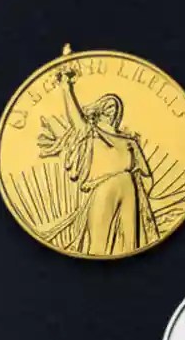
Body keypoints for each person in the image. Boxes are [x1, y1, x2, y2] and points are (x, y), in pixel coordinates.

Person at [36, 67, 160, 255]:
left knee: (131, 244)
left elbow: (146, 174)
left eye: (116, 107)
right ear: (99, 110)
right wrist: (66, 87)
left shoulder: (130, 142)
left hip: (128, 186)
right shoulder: (91, 133)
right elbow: (75, 117)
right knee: (98, 244)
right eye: (108, 105)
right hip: (103, 186)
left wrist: (145, 199)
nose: (112, 109)